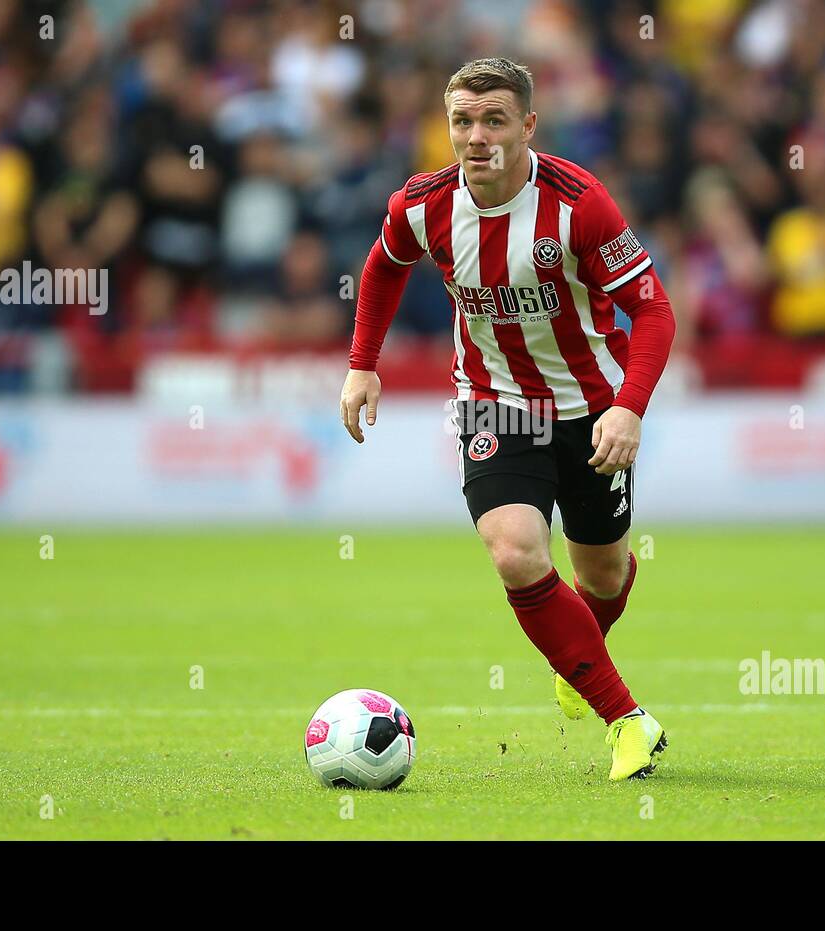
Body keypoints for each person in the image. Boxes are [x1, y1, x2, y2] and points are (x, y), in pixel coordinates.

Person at [338, 58, 676, 780]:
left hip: (591, 411)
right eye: (462, 120)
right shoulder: (422, 204)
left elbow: (653, 308)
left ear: (527, 125)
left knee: (605, 573)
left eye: (494, 120)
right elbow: (382, 266)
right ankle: (627, 719)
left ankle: (579, 654)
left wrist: (629, 406)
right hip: (496, 403)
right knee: (518, 552)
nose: (476, 136)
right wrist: (364, 360)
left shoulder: (579, 204)